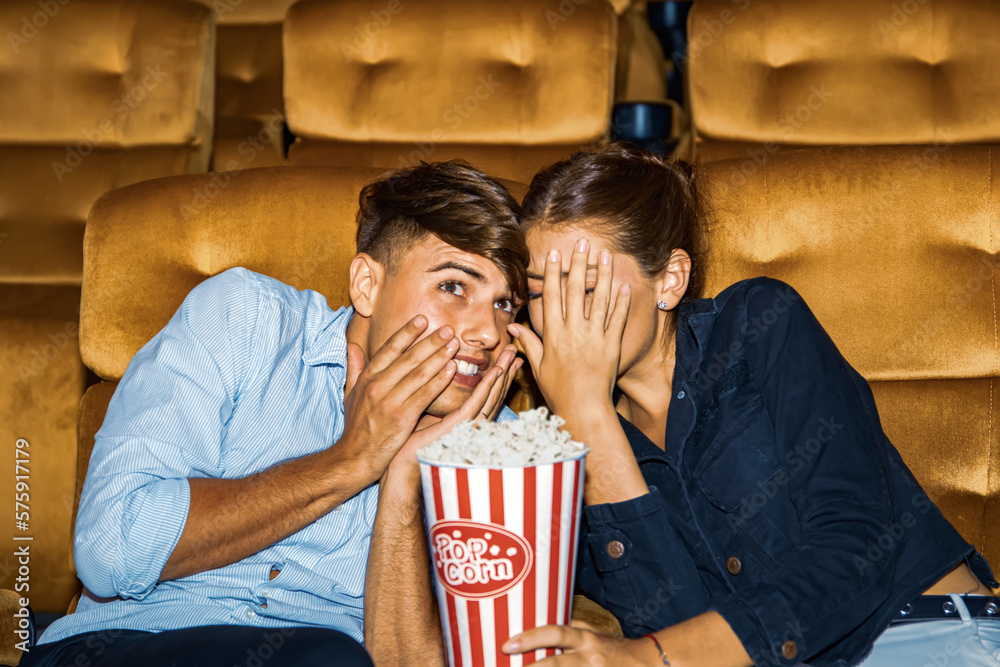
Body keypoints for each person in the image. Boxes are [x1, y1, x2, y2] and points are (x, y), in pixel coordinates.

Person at [500, 144, 1000, 666]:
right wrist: (590, 420)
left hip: (922, 629)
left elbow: (857, 545)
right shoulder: (565, 446)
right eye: (540, 294)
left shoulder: (755, 323)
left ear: (668, 281)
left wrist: (650, 658)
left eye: (586, 288)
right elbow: (673, 625)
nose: (562, 319)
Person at [25, 161, 528, 667]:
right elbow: (109, 548)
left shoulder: (509, 455)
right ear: (367, 285)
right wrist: (350, 460)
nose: (487, 332)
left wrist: (403, 482)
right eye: (455, 287)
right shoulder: (245, 318)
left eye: (505, 305)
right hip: (124, 646)